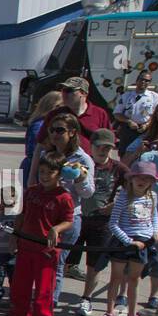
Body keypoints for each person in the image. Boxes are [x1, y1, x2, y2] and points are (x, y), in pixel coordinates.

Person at [29, 112, 95, 304]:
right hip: (42, 213)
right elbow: (33, 183)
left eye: (60, 130)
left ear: (73, 132)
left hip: (67, 218)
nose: (55, 134)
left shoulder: (82, 159)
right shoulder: (46, 154)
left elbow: (88, 192)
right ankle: (38, 298)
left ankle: (49, 303)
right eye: (52, 130)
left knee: (56, 264)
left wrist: (80, 178)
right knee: (39, 261)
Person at [10, 151, 74, 316]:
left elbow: (68, 220)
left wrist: (56, 228)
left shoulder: (64, 197)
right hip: (25, 245)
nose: (45, 176)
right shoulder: (31, 191)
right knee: (20, 283)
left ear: (59, 174)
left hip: (47, 249)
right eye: (42, 172)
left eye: (50, 173)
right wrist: (15, 236)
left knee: (44, 287)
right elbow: (21, 215)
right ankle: (19, 313)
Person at [122, 99, 158, 310]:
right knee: (134, 246)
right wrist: (139, 152)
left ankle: (154, 296)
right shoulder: (144, 139)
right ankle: (123, 293)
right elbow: (123, 163)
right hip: (142, 201)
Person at [102, 161, 158, 316]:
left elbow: (154, 215)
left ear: (151, 181)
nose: (142, 181)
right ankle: (109, 312)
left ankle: (131, 314)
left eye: (147, 178)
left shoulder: (152, 197)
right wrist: (128, 241)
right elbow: (113, 223)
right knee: (116, 278)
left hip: (144, 243)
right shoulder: (123, 196)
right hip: (124, 242)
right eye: (139, 177)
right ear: (132, 179)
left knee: (134, 280)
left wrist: (155, 231)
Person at [72, 129, 126, 316]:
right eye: (99, 147)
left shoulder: (118, 168)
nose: (103, 151)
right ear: (91, 146)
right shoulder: (82, 164)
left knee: (94, 264)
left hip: (102, 222)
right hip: (77, 218)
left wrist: (116, 204)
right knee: (66, 259)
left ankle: (86, 298)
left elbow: (136, 189)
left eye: (107, 148)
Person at [38, 77, 110, 155]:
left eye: (69, 90)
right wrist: (34, 167)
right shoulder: (55, 114)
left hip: (90, 163)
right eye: (63, 90)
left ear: (84, 93)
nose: (64, 94)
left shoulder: (99, 113)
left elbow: (108, 143)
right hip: (60, 163)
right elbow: (41, 144)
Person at [112, 70, 158, 152]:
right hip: (128, 130)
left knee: (141, 155)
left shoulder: (154, 97)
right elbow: (117, 113)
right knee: (124, 153)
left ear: (149, 83)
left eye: (147, 80)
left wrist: (147, 124)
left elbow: (157, 115)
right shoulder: (126, 96)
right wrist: (128, 121)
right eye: (142, 79)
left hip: (145, 131)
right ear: (137, 80)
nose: (144, 82)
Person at [23, 90, 63, 165]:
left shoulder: (48, 123)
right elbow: (33, 150)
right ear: (53, 106)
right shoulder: (39, 125)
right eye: (61, 106)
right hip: (36, 165)